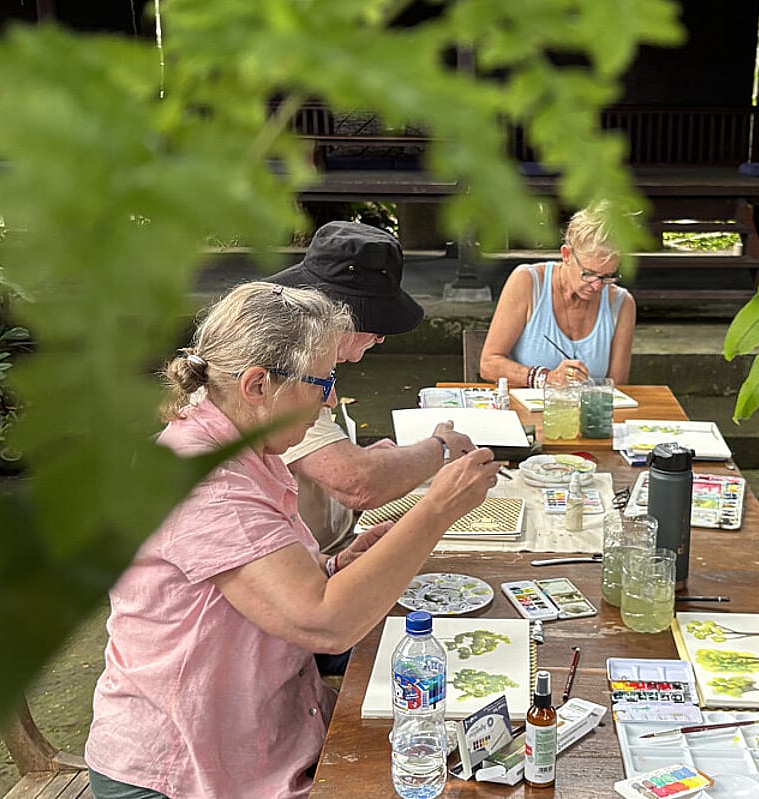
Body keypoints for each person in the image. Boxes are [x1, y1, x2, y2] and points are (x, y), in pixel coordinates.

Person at [84, 282, 500, 799]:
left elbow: (262, 591)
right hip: (183, 774)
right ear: (257, 385)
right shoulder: (206, 482)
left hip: (264, 743)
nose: (330, 399)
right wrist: (437, 508)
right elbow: (325, 624)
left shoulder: (247, 447)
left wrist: (334, 567)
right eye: (321, 382)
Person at [268, 221, 475, 556]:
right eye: (375, 324)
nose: (381, 337)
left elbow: (340, 472)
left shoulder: (304, 352)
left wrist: (362, 457)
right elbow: (358, 484)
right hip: (302, 565)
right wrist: (441, 448)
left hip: (327, 550)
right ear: (335, 317)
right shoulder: (283, 368)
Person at [479, 201, 637, 388]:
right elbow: (489, 364)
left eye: (607, 276)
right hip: (525, 412)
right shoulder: (527, 282)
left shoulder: (621, 303)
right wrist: (546, 378)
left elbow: (617, 387)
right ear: (566, 255)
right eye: (588, 273)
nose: (597, 285)